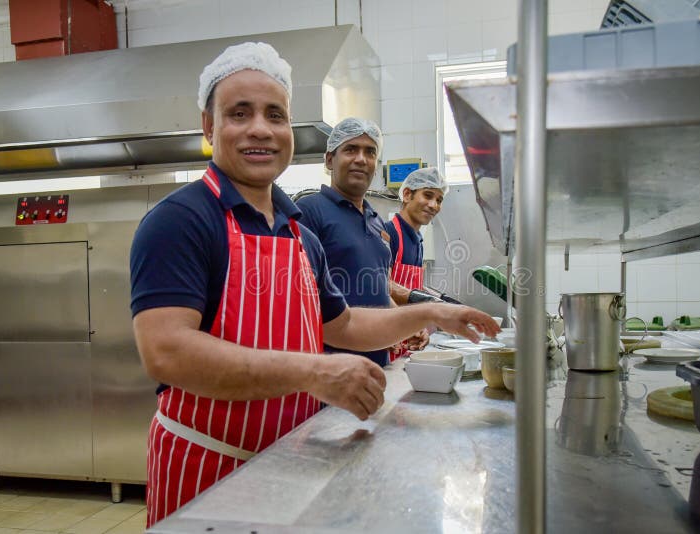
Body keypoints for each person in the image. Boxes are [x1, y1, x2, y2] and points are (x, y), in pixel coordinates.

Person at [129, 42, 498, 526]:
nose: (260, 128)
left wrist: (432, 312)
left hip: (290, 459)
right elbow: (167, 352)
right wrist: (314, 372)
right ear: (208, 126)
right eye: (239, 113)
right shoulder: (181, 220)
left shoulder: (299, 234)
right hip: (208, 469)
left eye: (275, 115)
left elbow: (341, 325)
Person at [296, 118, 427, 367]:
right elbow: (302, 297)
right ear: (329, 160)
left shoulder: (377, 222)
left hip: (377, 364)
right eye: (350, 149)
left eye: (370, 152)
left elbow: (380, 288)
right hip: (331, 366)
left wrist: (402, 323)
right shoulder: (309, 211)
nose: (361, 159)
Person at [383, 167, 448, 293]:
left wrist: (440, 298)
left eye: (439, 200)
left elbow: (413, 287)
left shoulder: (418, 241)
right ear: (407, 195)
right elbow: (382, 285)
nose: (434, 205)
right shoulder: (388, 233)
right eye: (427, 195)